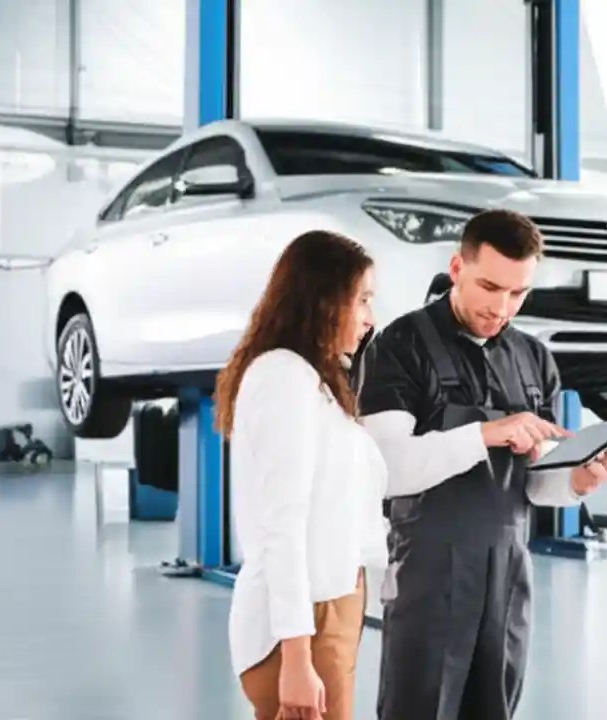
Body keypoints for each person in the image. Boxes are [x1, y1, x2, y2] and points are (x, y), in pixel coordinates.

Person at [359, 209, 607, 720]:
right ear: (457, 267)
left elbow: (535, 482)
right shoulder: (400, 345)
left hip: (509, 567)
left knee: (495, 707)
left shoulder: (534, 358)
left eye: (518, 293)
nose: (501, 307)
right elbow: (388, 469)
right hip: (428, 569)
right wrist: (486, 432)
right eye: (490, 286)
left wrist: (576, 481)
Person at [214, 230, 390, 720]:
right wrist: (296, 656)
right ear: (323, 299)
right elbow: (283, 522)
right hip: (302, 622)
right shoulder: (283, 377)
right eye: (362, 300)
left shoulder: (314, 380)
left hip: (329, 610)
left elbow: (345, 502)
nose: (369, 318)